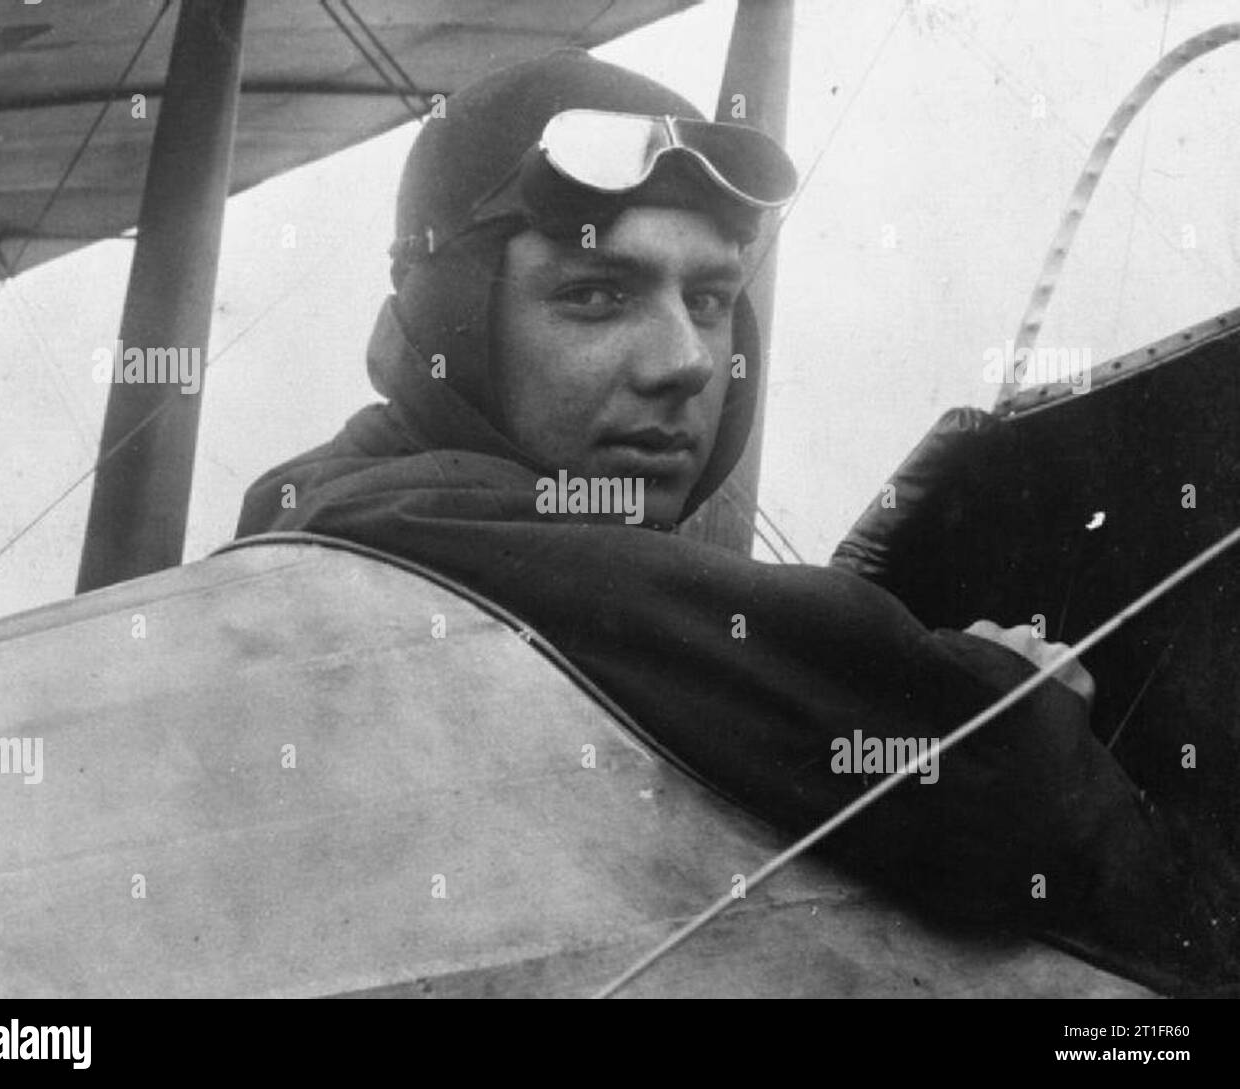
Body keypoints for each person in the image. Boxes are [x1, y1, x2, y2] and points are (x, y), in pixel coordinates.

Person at [235, 49, 1237, 995]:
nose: (687, 361)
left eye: (711, 298)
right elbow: (990, 784)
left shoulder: (324, 499)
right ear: (452, 319)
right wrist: (1014, 701)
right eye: (595, 295)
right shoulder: (406, 530)